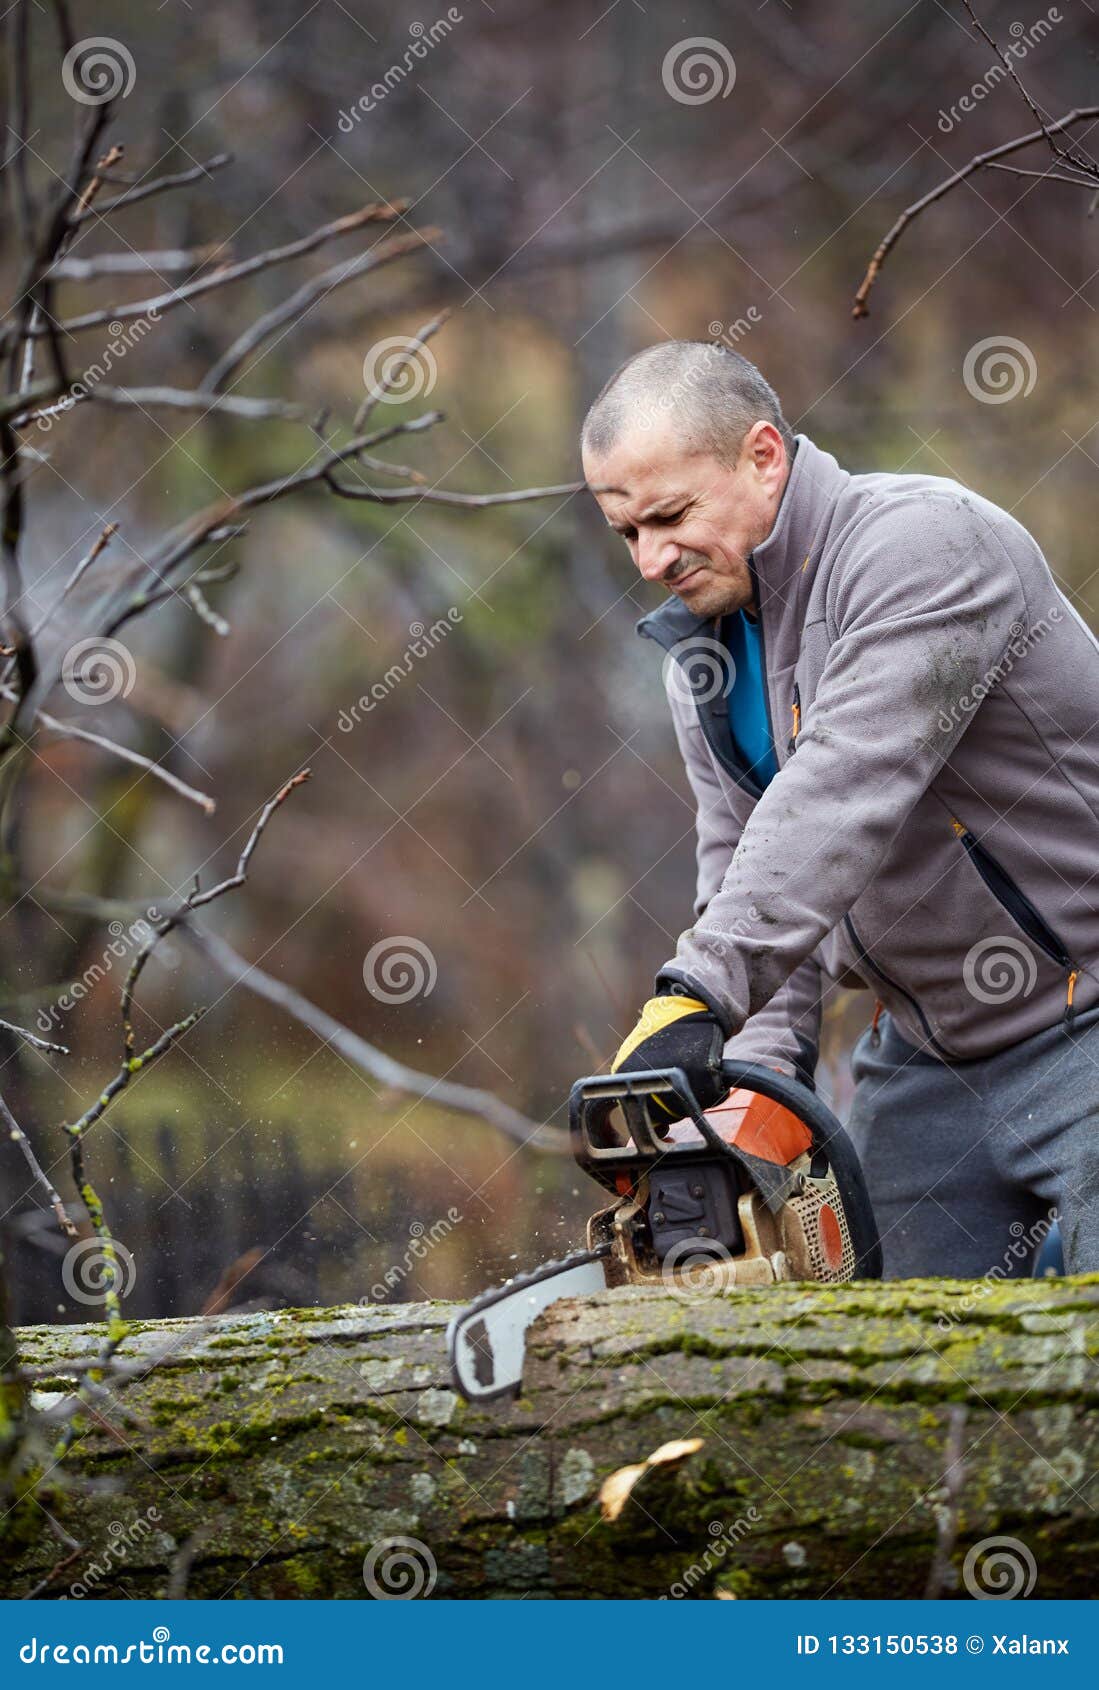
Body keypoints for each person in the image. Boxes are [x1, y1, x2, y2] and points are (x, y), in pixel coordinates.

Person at [581, 339, 1099, 1278]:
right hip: (925, 1056)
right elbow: (745, 868)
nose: (651, 559)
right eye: (627, 533)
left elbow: (842, 788)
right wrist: (753, 1097)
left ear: (762, 457)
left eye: (670, 516)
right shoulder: (703, 659)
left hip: (1086, 1016)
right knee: (887, 1348)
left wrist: (697, 993)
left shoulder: (925, 545)